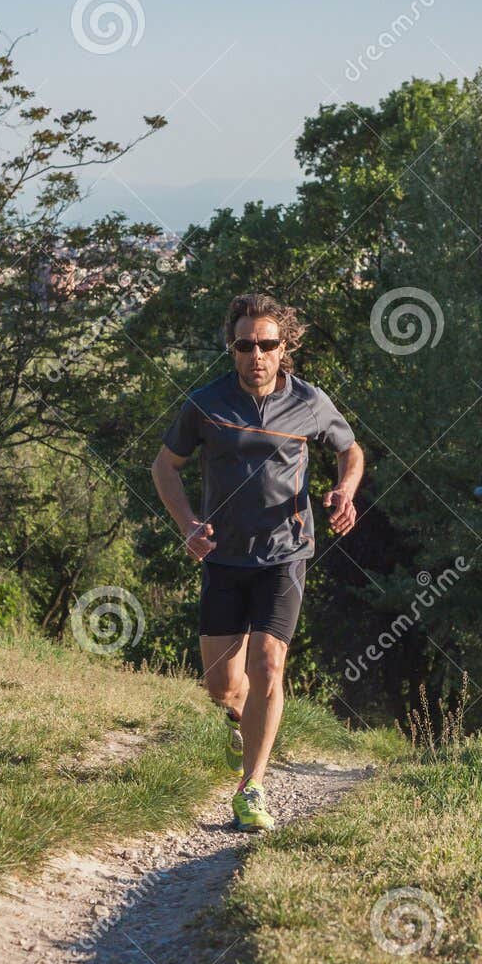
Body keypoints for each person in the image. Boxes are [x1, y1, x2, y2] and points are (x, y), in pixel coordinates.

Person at [151, 293, 364, 832]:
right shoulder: (205, 405)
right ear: (233, 348)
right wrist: (189, 525)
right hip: (224, 557)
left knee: (268, 664)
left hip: (285, 554)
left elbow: (350, 449)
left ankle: (252, 788)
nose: (256, 355)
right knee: (222, 685)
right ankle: (235, 718)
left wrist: (344, 488)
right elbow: (164, 467)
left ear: (284, 347)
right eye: (245, 345)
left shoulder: (310, 402)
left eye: (267, 344)